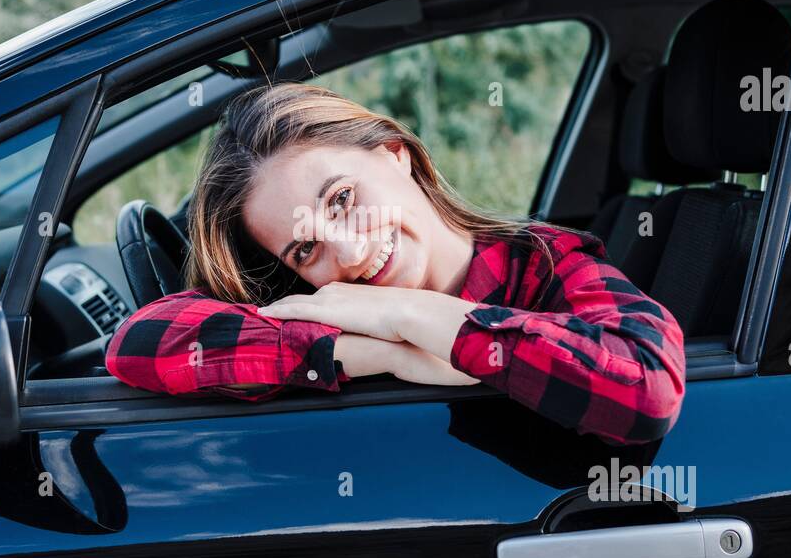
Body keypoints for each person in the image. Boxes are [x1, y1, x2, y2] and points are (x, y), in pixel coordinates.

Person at [105, 82, 685, 445]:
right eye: (305, 250)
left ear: (393, 154)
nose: (352, 253)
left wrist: (412, 313)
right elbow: (139, 344)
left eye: (342, 200)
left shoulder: (546, 263)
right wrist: (381, 351)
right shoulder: (325, 306)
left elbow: (645, 387)